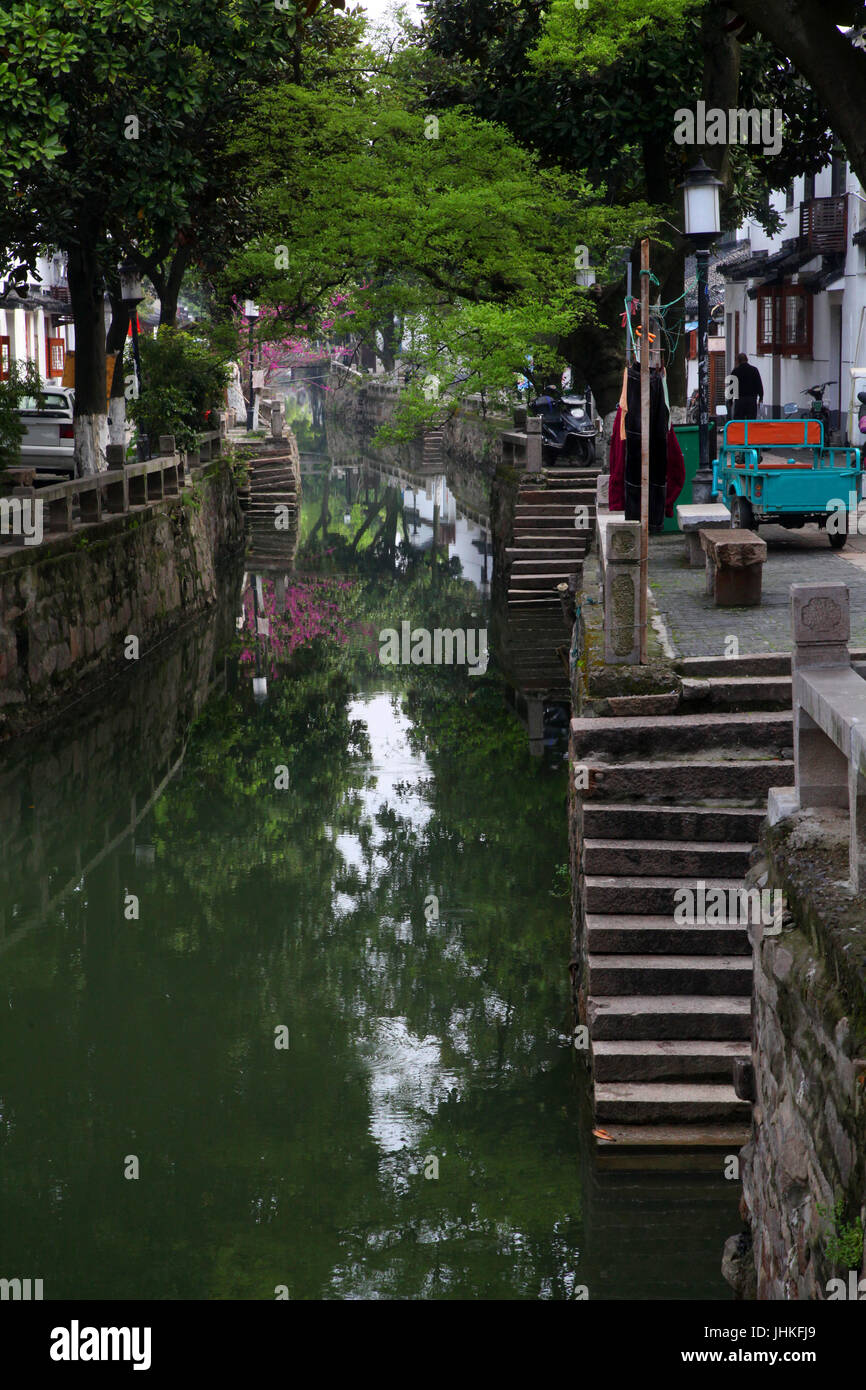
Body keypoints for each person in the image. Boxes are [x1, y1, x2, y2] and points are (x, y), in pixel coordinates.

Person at [730, 353, 764, 420]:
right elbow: (759, 384)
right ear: (747, 359)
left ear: (738, 361)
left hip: (739, 400)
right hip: (751, 400)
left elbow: (731, 388)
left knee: (739, 422)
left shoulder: (735, 371)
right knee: (751, 421)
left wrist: (730, 401)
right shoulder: (754, 370)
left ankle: (740, 430)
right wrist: (761, 397)